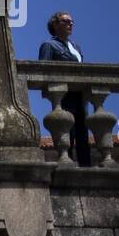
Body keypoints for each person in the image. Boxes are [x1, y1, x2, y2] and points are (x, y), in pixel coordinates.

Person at [38, 11, 91, 167]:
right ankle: (67, 163)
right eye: (66, 21)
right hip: (64, 96)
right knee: (67, 132)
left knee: (82, 133)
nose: (70, 24)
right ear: (55, 24)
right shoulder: (49, 45)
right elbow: (42, 71)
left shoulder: (76, 47)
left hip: (80, 95)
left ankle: (85, 166)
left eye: (71, 22)